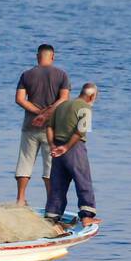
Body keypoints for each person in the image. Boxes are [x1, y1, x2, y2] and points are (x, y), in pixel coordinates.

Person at [14, 44, 71, 206]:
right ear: (52, 57)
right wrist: (47, 114)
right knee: (50, 166)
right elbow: (64, 99)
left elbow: (19, 99)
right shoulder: (61, 75)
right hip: (52, 127)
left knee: (25, 162)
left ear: (37, 56)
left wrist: (38, 113)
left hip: (30, 125)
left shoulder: (27, 75)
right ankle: (51, 202)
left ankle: (20, 199)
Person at [45, 83, 100, 228]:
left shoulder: (62, 106)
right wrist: (67, 147)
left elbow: (49, 126)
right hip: (74, 148)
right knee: (83, 181)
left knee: (57, 185)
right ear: (92, 96)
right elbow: (80, 131)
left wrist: (52, 145)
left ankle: (51, 217)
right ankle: (87, 216)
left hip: (57, 147)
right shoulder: (85, 108)